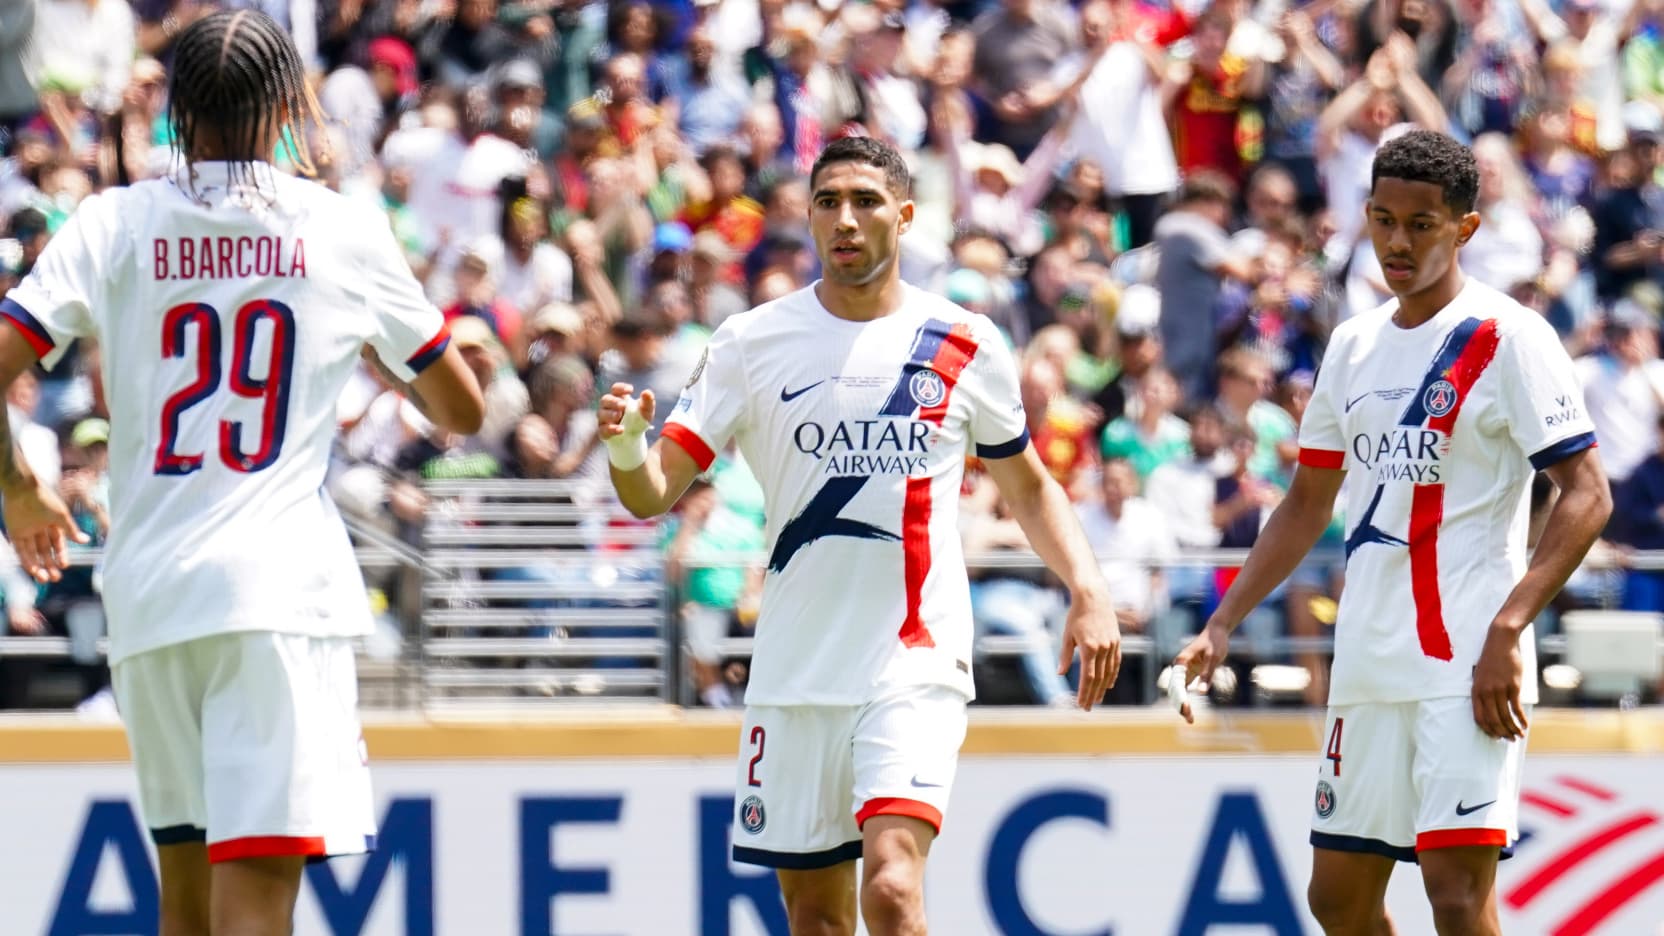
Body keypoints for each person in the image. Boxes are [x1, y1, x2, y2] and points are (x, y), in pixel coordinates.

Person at [0, 12, 484, 935]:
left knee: (184, 909)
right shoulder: (339, 229)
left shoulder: (114, 220)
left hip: (149, 597)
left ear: (177, 110)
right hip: (274, 598)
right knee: (256, 906)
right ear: (289, 108)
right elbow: (457, 412)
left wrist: (20, 487)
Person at [599, 136, 1120, 935]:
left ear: (905, 216)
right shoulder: (750, 342)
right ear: (808, 218)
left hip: (912, 658)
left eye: (867, 201)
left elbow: (1027, 485)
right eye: (829, 202)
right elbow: (651, 493)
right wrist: (628, 445)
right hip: (794, 667)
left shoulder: (963, 341)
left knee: (892, 887)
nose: (846, 219)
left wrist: (1088, 590)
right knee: (815, 916)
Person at [1173, 130, 1609, 936]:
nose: (1397, 242)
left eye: (1421, 224)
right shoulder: (1352, 344)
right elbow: (1306, 503)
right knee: (1336, 898)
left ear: (1465, 229)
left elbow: (1587, 494)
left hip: (1468, 660)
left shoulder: (1509, 337)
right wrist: (1223, 621)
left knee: (1454, 893)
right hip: (1368, 664)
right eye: (1382, 220)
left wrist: (1511, 626)